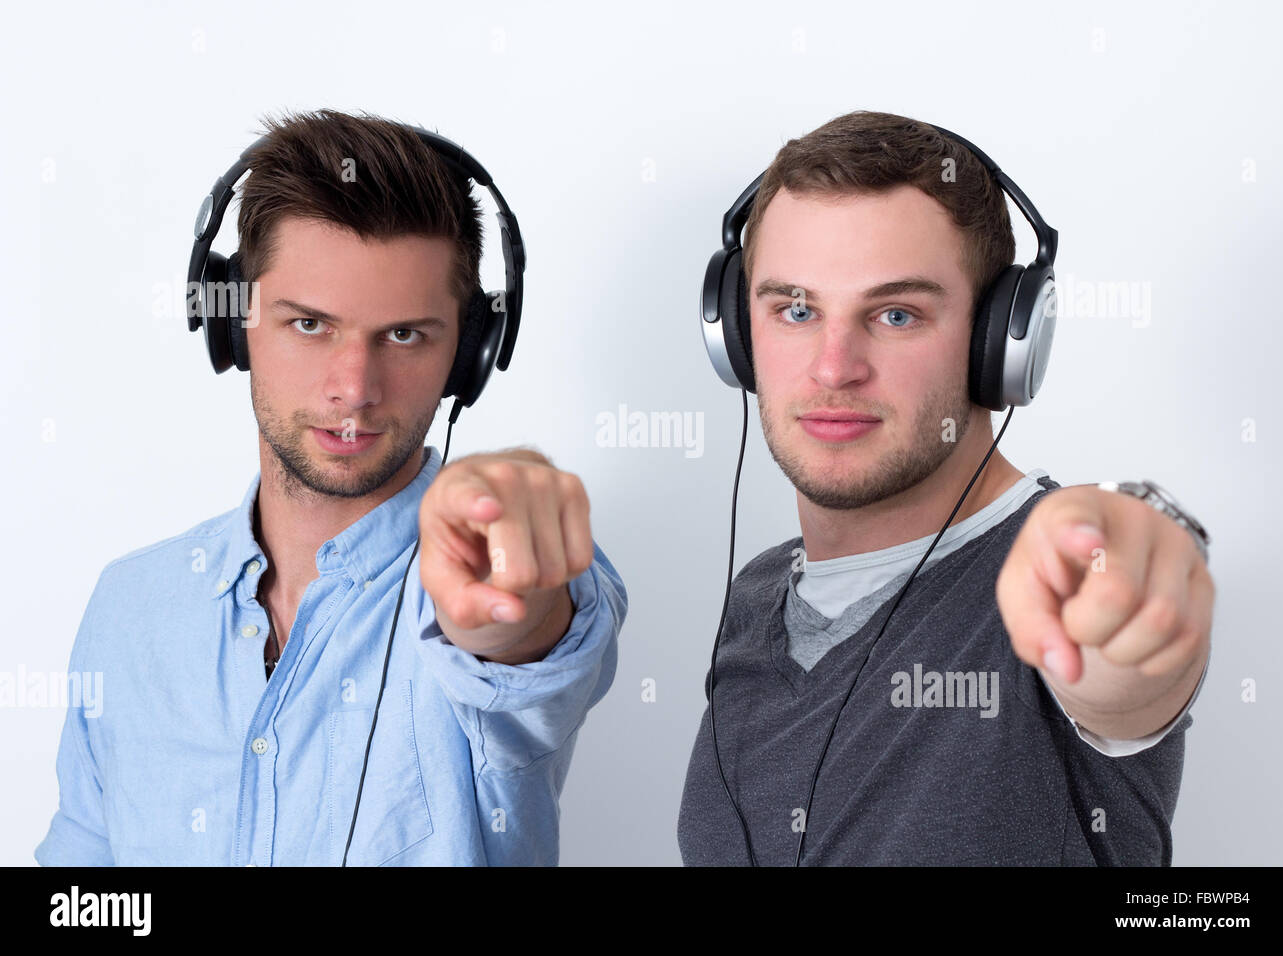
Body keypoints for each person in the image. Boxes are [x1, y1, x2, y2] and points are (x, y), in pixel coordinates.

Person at [35, 109, 627, 866]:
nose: (354, 387)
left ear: (471, 352)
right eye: (310, 325)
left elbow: (524, 639)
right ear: (233, 321)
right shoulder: (129, 607)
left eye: (405, 334)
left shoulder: (487, 565)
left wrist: (509, 546)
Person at [680, 110, 1213, 866]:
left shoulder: (1054, 577)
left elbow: (1124, 660)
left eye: (896, 314)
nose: (834, 368)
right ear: (736, 329)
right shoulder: (756, 596)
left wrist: (1135, 581)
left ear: (1000, 342)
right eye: (796, 309)